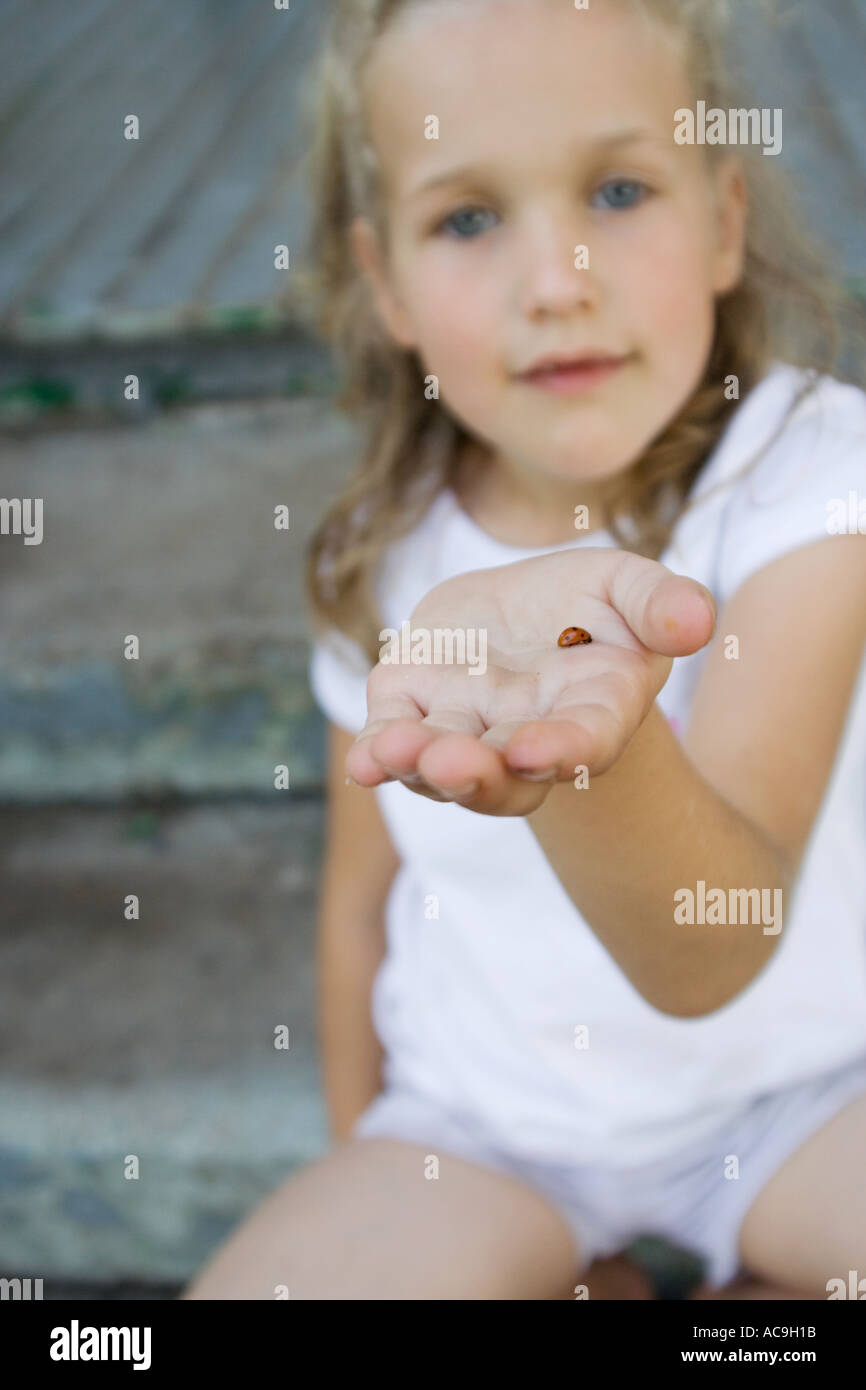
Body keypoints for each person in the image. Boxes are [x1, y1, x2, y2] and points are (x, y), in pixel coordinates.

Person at [182, 0, 866, 1300]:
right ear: (382, 278)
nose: (556, 280)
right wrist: (383, 1190)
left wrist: (592, 759)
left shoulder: (810, 474)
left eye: (617, 189)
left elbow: (713, 942)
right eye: (469, 217)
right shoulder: (383, 560)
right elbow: (356, 914)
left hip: (806, 1096)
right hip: (488, 1132)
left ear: (723, 220)